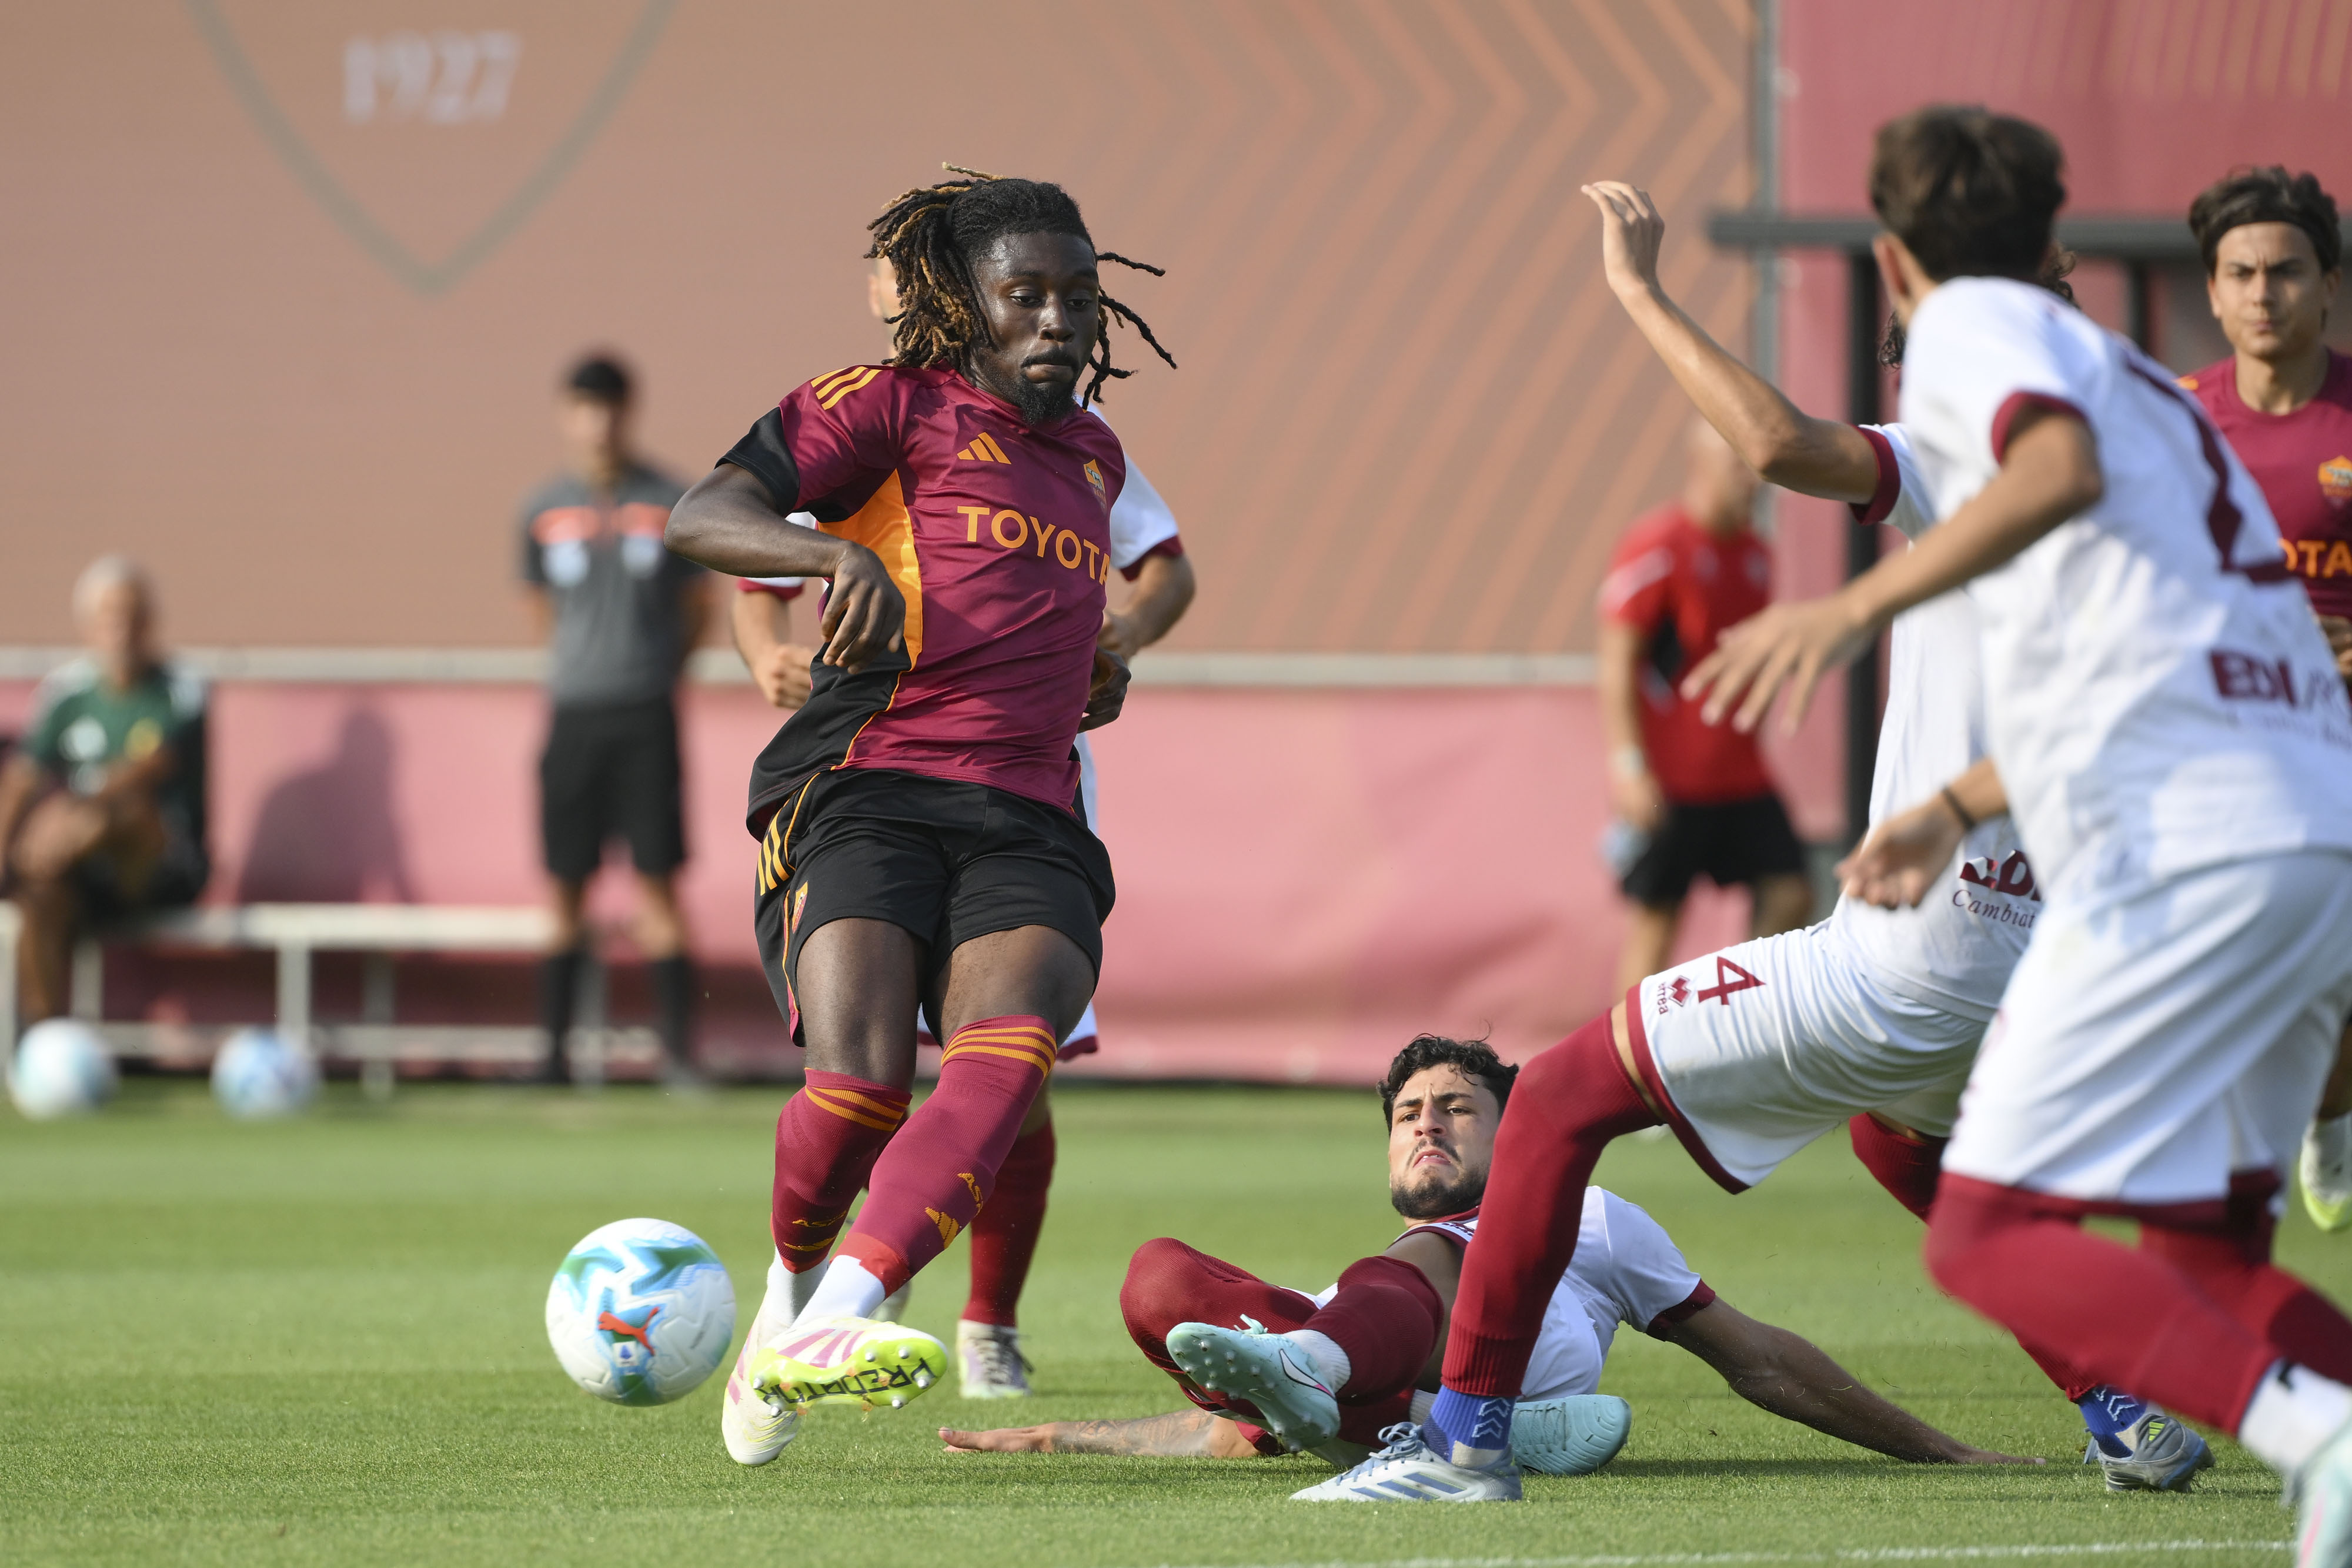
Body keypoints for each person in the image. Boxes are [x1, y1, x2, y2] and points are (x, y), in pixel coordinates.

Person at [1310, 177, 2193, 1505]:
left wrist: (1638, 290)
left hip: (1915, 958)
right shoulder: (2136, 479)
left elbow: (1780, 443)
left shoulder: (1979, 450)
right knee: (1899, 1144)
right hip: (2029, 960)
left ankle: (1462, 1443)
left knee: (1550, 1097)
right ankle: (2119, 1406)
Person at [1662, 108, 2352, 1563]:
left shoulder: (1987, 338)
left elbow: (2035, 481)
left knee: (1986, 1239)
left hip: (2211, 854)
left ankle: (2313, 1432)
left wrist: (1848, 608)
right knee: (2202, 1265)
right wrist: (1957, 801)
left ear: (1901, 263)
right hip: (2312, 829)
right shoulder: (2172, 406)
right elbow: (2122, 664)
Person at [663, 169, 1175, 1467]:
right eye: (1028, 295)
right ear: (968, 303)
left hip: (1029, 814)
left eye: (1078, 295)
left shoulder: (1097, 454)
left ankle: (835, 1317)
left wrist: (1093, 660)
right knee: (857, 1091)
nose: (1060, 318)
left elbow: (1083, 605)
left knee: (1006, 1066)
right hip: (866, 785)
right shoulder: (888, 407)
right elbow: (700, 514)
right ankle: (786, 1292)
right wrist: (829, 555)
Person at [938, 1035, 2030, 1494]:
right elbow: (1239, 1427)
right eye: (1409, 1112)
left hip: (1382, 1337)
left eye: (1457, 1107)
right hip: (1355, 1366)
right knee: (1157, 1274)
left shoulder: (1593, 1214)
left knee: (1405, 1271)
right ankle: (1416, 1410)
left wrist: (1940, 1449)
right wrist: (1057, 1431)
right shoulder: (1368, 1272)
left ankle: (1364, 1384)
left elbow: (1756, 1358)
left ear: (1514, 1135)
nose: (1427, 1124)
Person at [2174, 166, 2352, 1233]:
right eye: (2241, 272)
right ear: (2212, 290)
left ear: (2328, 284)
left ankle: (2330, 1106)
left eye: (2287, 270)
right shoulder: (2175, 423)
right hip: (2219, 744)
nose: (2263, 292)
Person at [518, 354, 707, 1086]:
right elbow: (539, 610)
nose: (598, 423)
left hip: (646, 717)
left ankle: (679, 1059)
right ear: (567, 414)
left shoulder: (667, 499)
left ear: (630, 412)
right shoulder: (541, 508)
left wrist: (653, 673)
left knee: (657, 886)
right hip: (572, 718)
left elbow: (696, 611)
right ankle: (553, 1059)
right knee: (566, 887)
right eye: (584, 408)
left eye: (611, 408)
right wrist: (582, 666)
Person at [1598, 422, 1812, 996]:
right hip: (1674, 780)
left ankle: (1731, 1017)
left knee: (1791, 891)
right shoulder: (1659, 545)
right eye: (1737, 465)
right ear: (1700, 464)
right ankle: (1629, 1072)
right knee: (1658, 920)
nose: (1753, 480)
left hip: (1739, 773)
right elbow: (1618, 659)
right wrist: (1628, 765)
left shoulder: (1756, 556)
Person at [0, 559, 208, 1027]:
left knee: (118, 811)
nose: (122, 627)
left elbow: (150, 765)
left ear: (150, 621)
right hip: (80, 869)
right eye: (109, 615)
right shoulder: (65, 693)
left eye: (132, 614)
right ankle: (43, 1037)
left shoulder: (180, 687)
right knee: (38, 895)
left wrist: (76, 811)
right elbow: (22, 776)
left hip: (161, 865)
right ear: (88, 626)